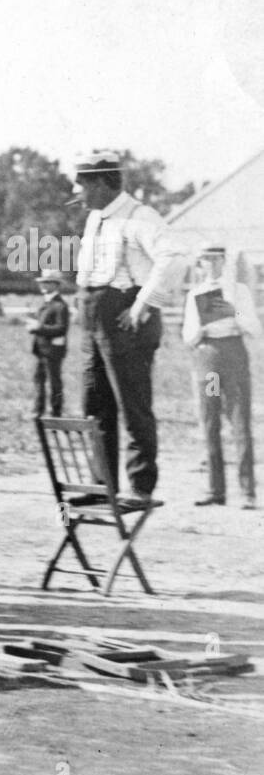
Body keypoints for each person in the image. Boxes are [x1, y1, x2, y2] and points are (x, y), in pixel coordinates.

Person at [72, 150, 190, 501]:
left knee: (132, 404)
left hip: (124, 318)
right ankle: (100, 484)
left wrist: (142, 305)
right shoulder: (95, 219)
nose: (78, 193)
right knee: (94, 403)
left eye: (82, 185)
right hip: (94, 318)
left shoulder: (140, 216)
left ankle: (141, 487)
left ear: (102, 183)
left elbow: (174, 257)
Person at [182, 244, 258, 509]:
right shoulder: (196, 294)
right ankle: (216, 490)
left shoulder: (240, 291)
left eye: (216, 260)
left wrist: (231, 310)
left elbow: (252, 326)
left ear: (224, 262)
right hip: (210, 360)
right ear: (200, 264)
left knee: (239, 420)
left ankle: (248, 491)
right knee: (210, 420)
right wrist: (203, 325)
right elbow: (189, 335)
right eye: (206, 260)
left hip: (233, 356)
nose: (211, 265)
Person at [27, 270, 70, 417]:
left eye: (47, 282)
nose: (43, 285)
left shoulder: (60, 305)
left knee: (54, 382)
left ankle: (56, 411)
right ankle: (38, 410)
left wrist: (38, 328)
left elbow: (61, 328)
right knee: (38, 379)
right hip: (40, 349)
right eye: (42, 282)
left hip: (53, 351)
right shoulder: (45, 303)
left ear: (56, 285)